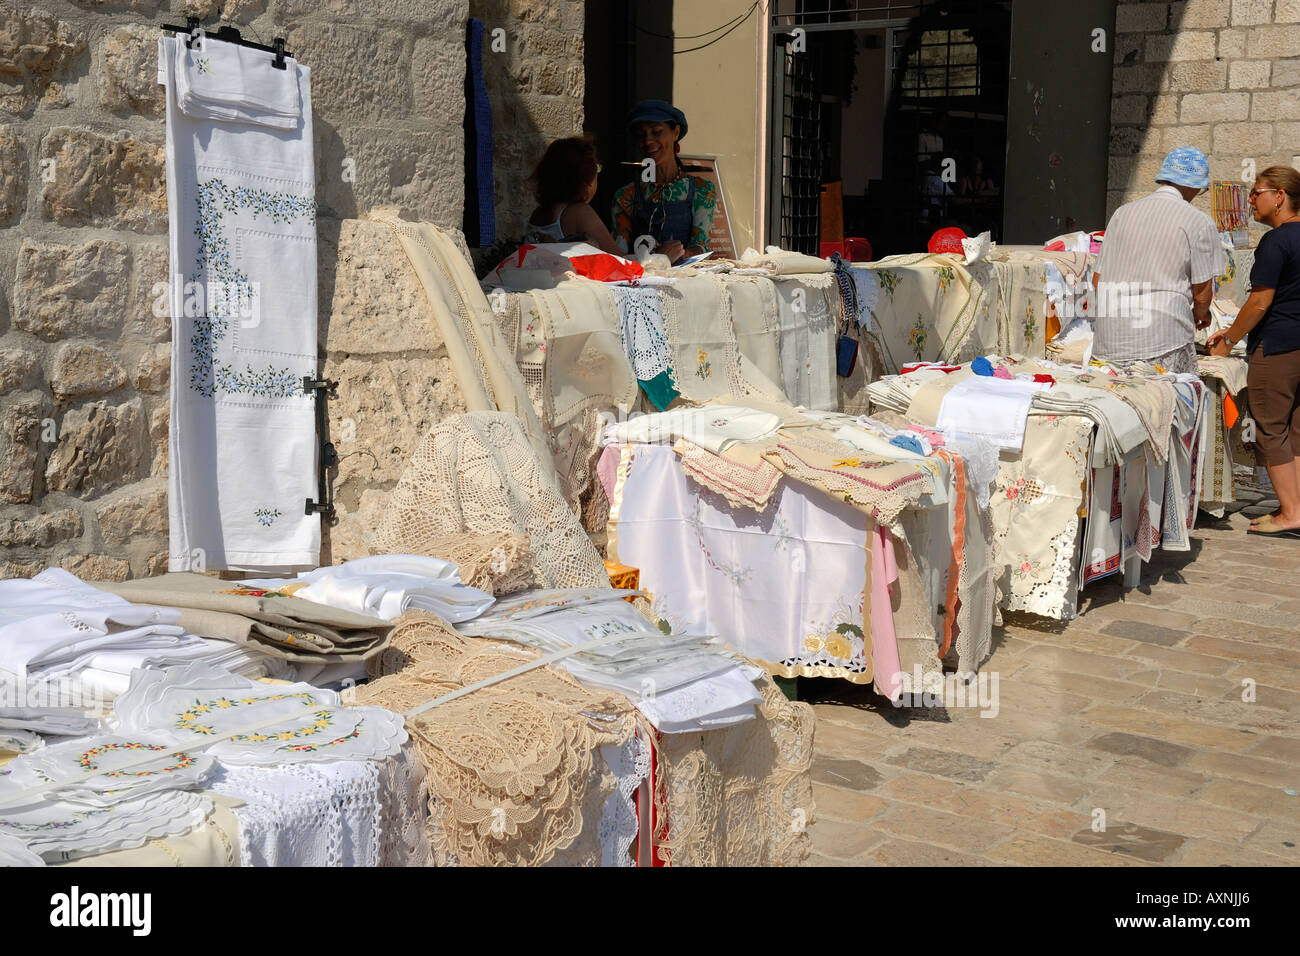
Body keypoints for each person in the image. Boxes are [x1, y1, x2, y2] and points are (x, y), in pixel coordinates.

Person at [1206, 166, 1300, 536]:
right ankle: (1294, 505)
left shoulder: (1277, 242)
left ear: (1279, 195)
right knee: (1295, 429)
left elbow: (1261, 301)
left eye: (1256, 192)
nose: (1250, 200)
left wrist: (1228, 341)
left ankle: (1291, 513)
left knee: (1270, 428)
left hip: (1278, 348)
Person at [1091, 147, 1226, 373]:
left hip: (1109, 341)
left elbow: (1097, 282)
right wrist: (1201, 314)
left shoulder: (1122, 213)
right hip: (1162, 341)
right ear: (1195, 185)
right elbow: (1202, 294)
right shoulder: (1198, 221)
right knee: (1166, 404)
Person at [611, 100, 717, 264]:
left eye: (657, 132)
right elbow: (619, 256)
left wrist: (681, 253)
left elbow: (702, 246)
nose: (647, 141)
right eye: (641, 135)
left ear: (676, 132)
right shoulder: (626, 195)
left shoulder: (702, 190)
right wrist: (658, 259)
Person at [525, 135, 621, 254]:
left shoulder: (538, 213)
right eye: (596, 168)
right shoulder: (579, 212)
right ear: (587, 177)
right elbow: (619, 259)